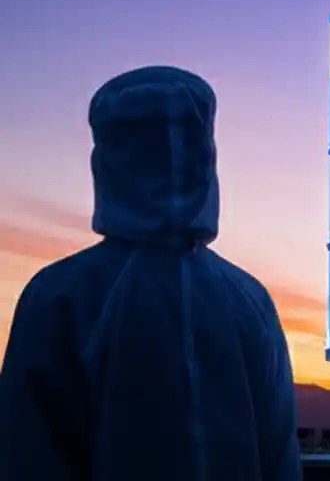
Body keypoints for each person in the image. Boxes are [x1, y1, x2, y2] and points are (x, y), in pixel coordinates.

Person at [0, 66, 302, 480]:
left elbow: (25, 453)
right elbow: (280, 455)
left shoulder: (58, 295)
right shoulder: (247, 300)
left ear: (104, 160)